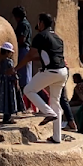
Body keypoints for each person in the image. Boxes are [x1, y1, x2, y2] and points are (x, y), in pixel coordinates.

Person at [16, 13, 69, 144]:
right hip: (63, 72)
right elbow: (43, 56)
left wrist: (16, 68)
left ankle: (48, 112)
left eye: (39, 22)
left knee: (28, 90)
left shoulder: (41, 36)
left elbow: (29, 56)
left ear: (42, 23)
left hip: (51, 71)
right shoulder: (58, 38)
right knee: (55, 102)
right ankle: (57, 137)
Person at [0, 43, 24, 123]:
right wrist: (16, 83)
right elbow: (12, 72)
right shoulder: (9, 62)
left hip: (2, 84)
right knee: (9, 99)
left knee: (4, 100)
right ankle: (8, 119)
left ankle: (5, 118)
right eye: (10, 52)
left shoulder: (0, 62)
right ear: (7, 52)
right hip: (9, 84)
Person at [11, 7, 34, 102]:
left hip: (23, 50)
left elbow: (22, 39)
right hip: (25, 50)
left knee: (24, 78)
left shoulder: (23, 25)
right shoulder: (26, 23)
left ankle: (26, 103)